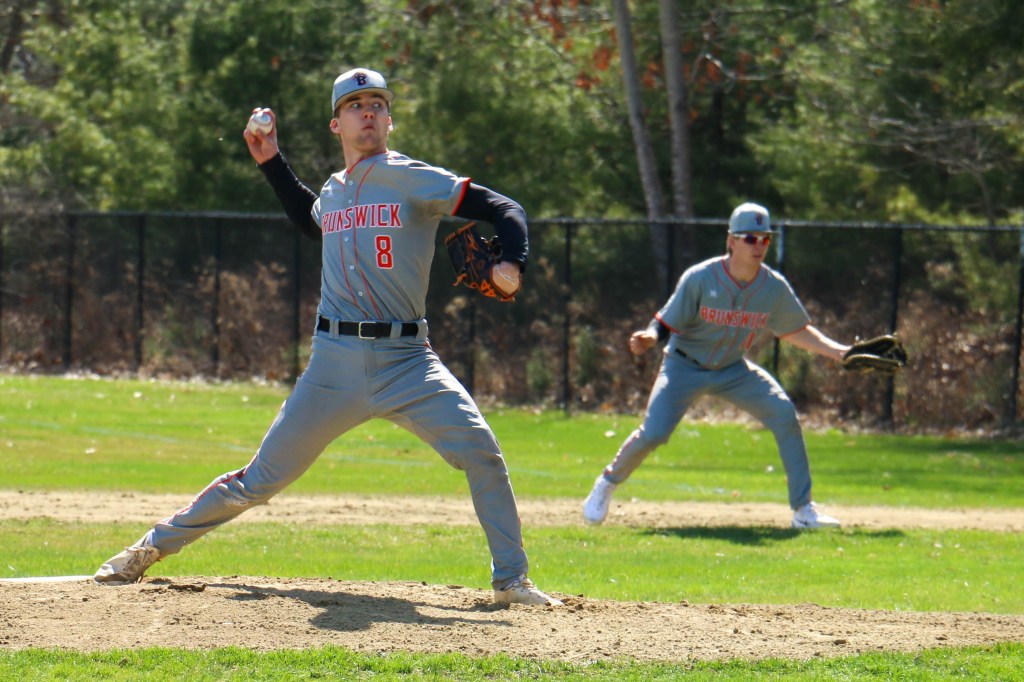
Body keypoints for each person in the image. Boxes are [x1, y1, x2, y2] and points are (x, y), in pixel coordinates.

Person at [94, 67, 562, 606]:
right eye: (356, 104)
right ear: (336, 124)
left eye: (378, 104)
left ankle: (511, 580)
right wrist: (270, 160)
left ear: (389, 119)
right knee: (258, 480)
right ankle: (148, 549)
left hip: (410, 361)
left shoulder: (413, 178)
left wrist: (511, 261)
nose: (369, 112)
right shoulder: (335, 191)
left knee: (482, 454)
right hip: (333, 364)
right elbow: (310, 217)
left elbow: (506, 209)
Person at [582, 202, 848, 530]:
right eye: (750, 238)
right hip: (683, 366)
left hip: (732, 369)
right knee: (654, 434)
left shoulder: (773, 287)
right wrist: (650, 338)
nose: (759, 245)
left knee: (783, 414)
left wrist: (840, 353)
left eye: (765, 238)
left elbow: (795, 330)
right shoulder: (700, 277)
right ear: (731, 241)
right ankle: (607, 483)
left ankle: (803, 511)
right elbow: (666, 322)